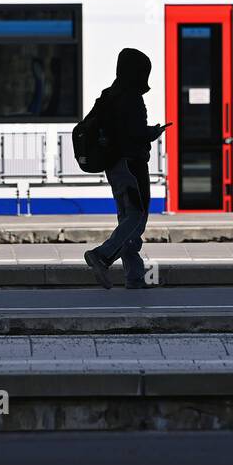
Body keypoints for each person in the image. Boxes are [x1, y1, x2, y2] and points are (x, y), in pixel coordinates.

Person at [85, 47, 167, 289]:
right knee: (137, 217)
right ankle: (102, 255)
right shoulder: (131, 98)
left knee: (128, 218)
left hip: (114, 166)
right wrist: (153, 132)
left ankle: (135, 276)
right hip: (132, 165)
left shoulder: (108, 95)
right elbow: (135, 134)